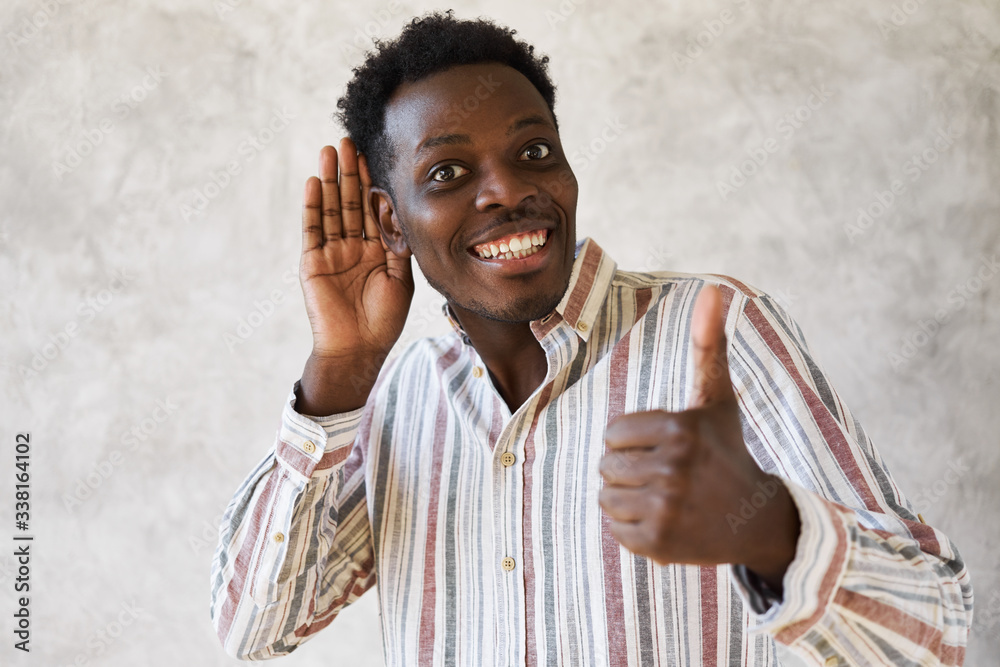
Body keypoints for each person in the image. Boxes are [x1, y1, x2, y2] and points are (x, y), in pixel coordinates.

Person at [210, 11, 973, 665]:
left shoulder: (716, 329)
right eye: (447, 171)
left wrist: (772, 526)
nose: (508, 188)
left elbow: (935, 633)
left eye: (534, 151)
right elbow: (252, 624)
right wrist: (339, 370)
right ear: (387, 222)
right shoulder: (389, 397)